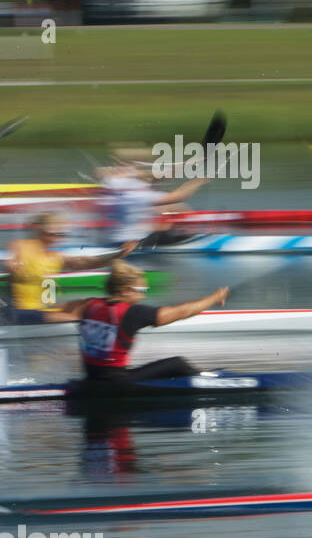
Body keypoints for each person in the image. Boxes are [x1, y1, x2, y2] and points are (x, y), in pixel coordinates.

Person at [69, 260, 229, 383]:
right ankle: (209, 380)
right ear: (125, 290)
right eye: (141, 291)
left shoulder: (88, 305)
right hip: (117, 384)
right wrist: (214, 298)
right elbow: (182, 312)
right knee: (177, 363)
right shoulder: (133, 312)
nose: (143, 296)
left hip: (90, 380)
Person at [2, 212, 136, 325]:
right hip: (17, 311)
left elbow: (87, 263)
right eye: (53, 233)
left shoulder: (56, 257)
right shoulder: (20, 246)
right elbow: (9, 261)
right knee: (74, 317)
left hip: (41, 309)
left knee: (88, 303)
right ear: (40, 230)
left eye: (61, 234)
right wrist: (11, 264)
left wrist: (118, 254)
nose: (56, 238)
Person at [96, 160, 212, 248]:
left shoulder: (113, 184)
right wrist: (198, 181)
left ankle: (193, 237)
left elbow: (158, 176)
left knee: (164, 211)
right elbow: (178, 196)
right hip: (134, 242)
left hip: (115, 237)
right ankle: (196, 241)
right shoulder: (138, 194)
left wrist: (189, 163)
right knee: (176, 210)